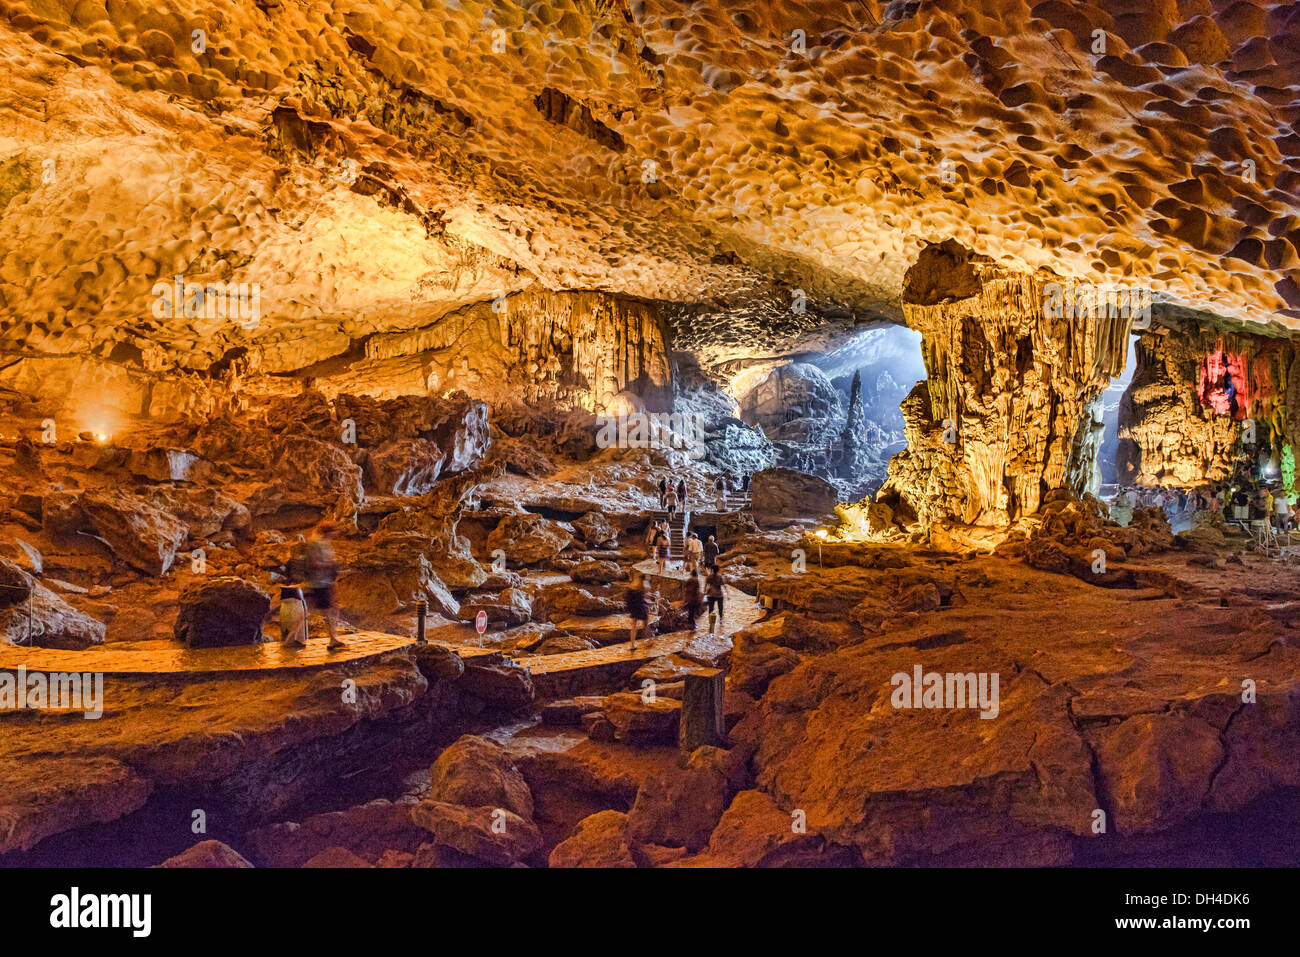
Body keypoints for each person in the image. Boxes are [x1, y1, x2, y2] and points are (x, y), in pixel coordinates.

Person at [303, 521, 346, 649]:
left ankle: (333, 638)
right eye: (333, 531)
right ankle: (332, 639)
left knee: (331, 609)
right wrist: (331, 564)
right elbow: (314, 564)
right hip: (318, 582)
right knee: (327, 610)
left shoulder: (322, 543)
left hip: (324, 581)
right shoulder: (315, 544)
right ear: (328, 532)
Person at [625, 570, 649, 650]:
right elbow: (645, 597)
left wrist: (629, 610)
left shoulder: (632, 586)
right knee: (645, 625)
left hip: (634, 608)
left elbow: (628, 599)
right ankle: (645, 642)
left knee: (633, 626)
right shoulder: (644, 586)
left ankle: (632, 645)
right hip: (641, 607)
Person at [705, 565, 724, 633]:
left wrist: (705, 593)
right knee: (720, 608)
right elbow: (723, 586)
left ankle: (711, 624)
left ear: (712, 570)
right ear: (718, 570)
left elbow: (706, 586)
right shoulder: (720, 577)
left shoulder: (709, 577)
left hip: (711, 594)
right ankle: (721, 619)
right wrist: (728, 594)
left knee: (711, 609)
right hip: (719, 594)